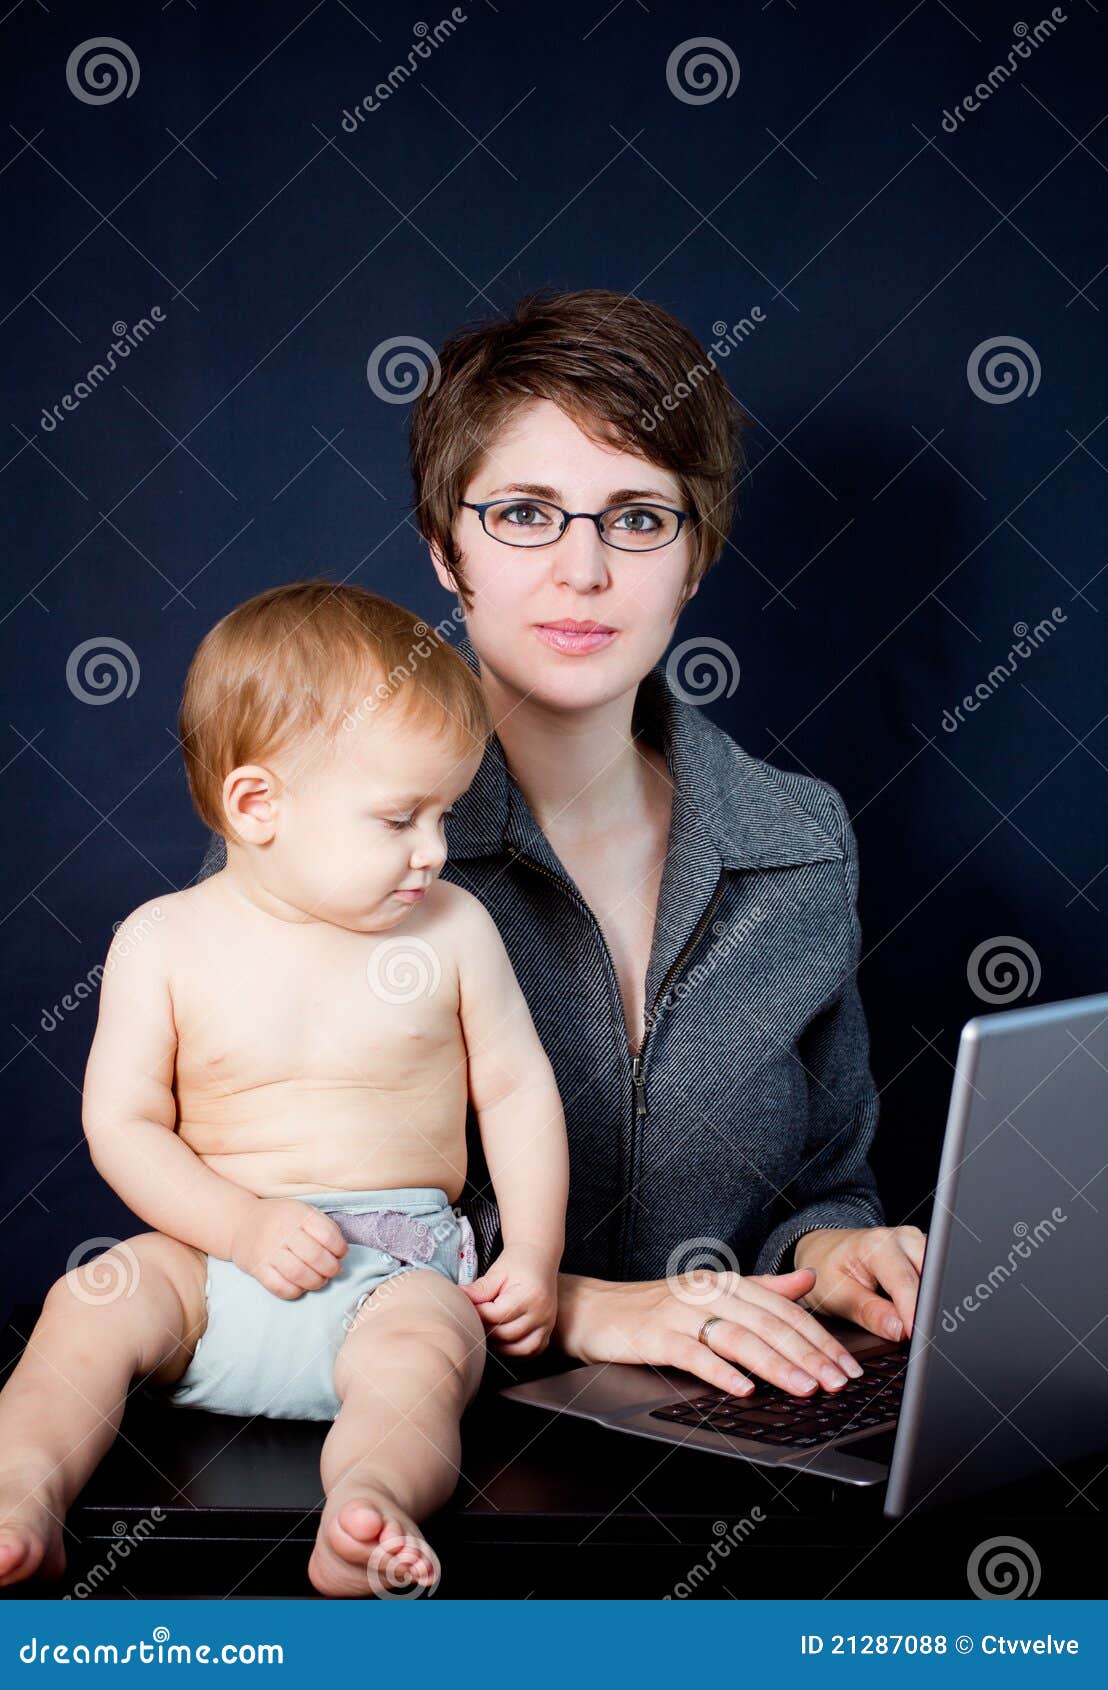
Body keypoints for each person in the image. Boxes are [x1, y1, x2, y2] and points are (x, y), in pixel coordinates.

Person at [214, 288, 927, 1400]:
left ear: (694, 559)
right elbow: (258, 1206)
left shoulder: (798, 842)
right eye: (524, 513)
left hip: (741, 1426)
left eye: (638, 518)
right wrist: (579, 1305)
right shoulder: (321, 838)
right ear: (445, 548)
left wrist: (835, 1250)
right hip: (421, 1439)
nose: (583, 571)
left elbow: (824, 1183)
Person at [0, 583, 569, 1597]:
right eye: (399, 818)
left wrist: (532, 1251)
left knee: (426, 1358)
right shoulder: (165, 941)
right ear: (258, 805)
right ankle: (20, 1493)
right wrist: (238, 1221)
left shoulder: (452, 930)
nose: (435, 850)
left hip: (396, 1266)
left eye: (444, 813)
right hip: (211, 1262)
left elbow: (519, 1094)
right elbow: (123, 1123)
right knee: (89, 1303)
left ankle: (369, 1506)